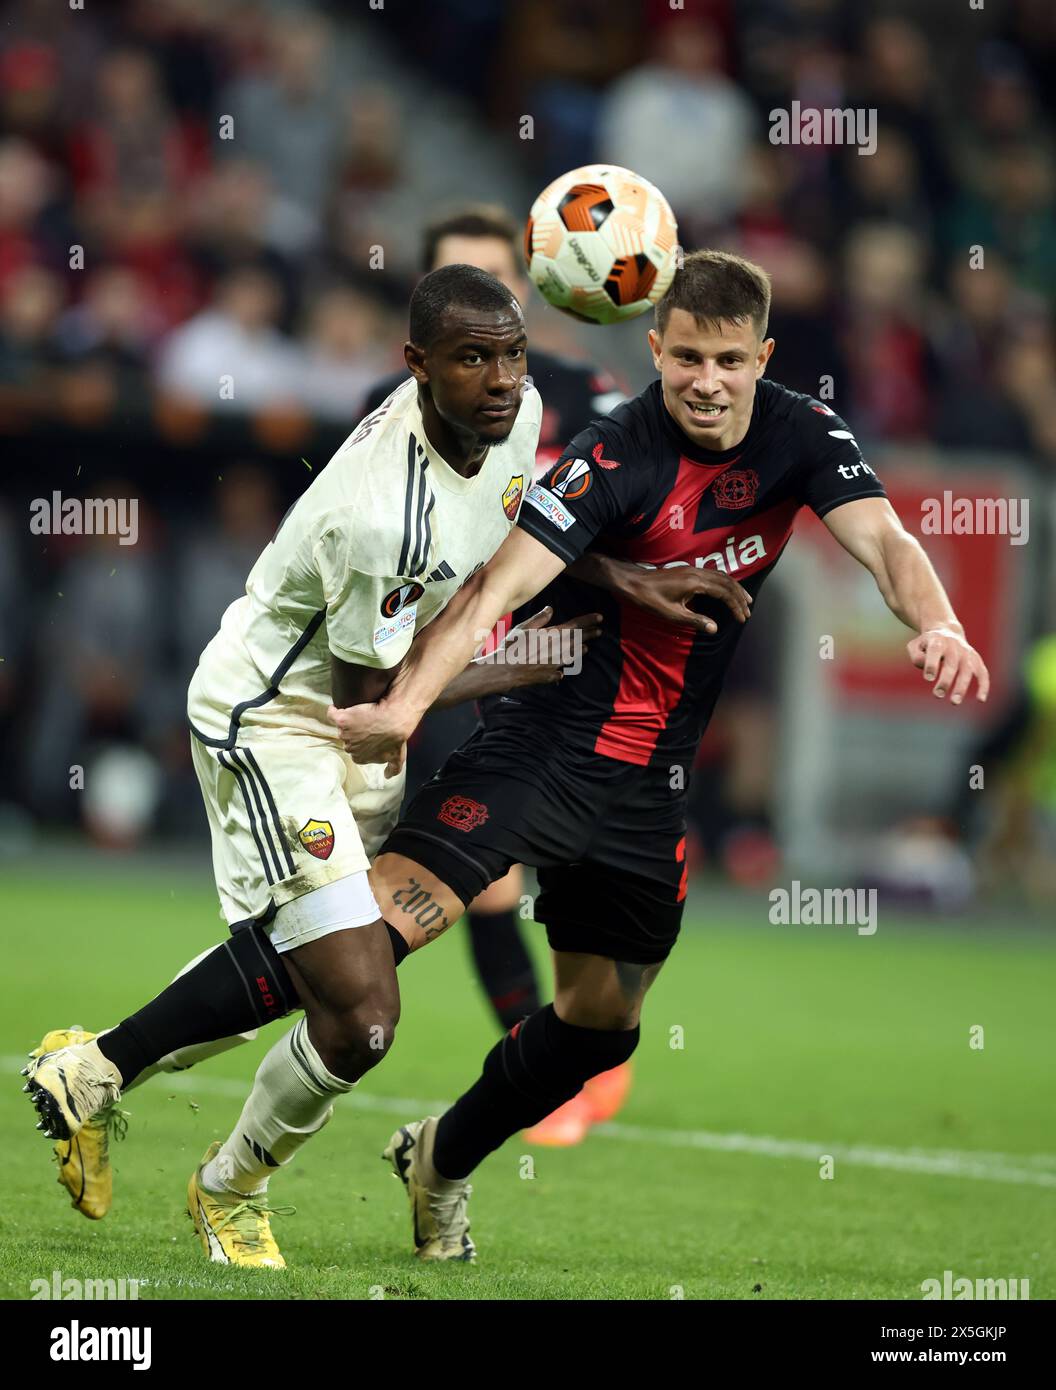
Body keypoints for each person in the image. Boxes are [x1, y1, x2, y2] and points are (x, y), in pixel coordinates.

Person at [24, 261, 743, 1265]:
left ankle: (92, 1072)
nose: (501, 380)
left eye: (511, 355)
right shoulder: (379, 517)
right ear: (415, 367)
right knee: (362, 1009)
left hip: (352, 715)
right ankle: (228, 1188)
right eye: (471, 360)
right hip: (281, 720)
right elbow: (383, 699)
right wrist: (543, 662)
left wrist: (623, 577)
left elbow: (514, 532)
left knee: (309, 967)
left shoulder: (513, 416)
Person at [328, 249, 990, 1263]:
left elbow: (890, 541)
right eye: (686, 356)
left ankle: (441, 1158)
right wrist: (408, 704)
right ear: (656, 349)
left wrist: (937, 621)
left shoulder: (805, 435)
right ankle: (148, 1078)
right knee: (368, 935)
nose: (707, 379)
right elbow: (499, 590)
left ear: (763, 357)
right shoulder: (614, 450)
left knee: (602, 1022)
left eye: (729, 358)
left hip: (652, 779)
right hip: (547, 739)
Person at [366, 203, 631, 1145]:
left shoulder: (588, 392)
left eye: (495, 275)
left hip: (553, 661)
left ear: (525, 284)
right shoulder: (388, 403)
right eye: (457, 279)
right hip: (437, 660)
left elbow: (621, 512)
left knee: (555, 880)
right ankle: (542, 1068)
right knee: (473, 886)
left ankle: (564, 1055)